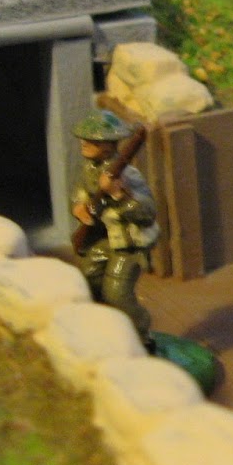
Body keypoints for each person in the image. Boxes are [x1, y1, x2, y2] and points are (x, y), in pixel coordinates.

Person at [71, 110, 158, 341]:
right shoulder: (89, 170)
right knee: (88, 281)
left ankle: (141, 334)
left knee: (117, 294)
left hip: (128, 244)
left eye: (92, 140)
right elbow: (80, 193)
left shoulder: (128, 175)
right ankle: (109, 329)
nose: (84, 143)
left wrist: (119, 195)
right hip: (101, 239)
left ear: (109, 145)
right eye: (84, 138)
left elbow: (147, 213)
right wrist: (79, 207)